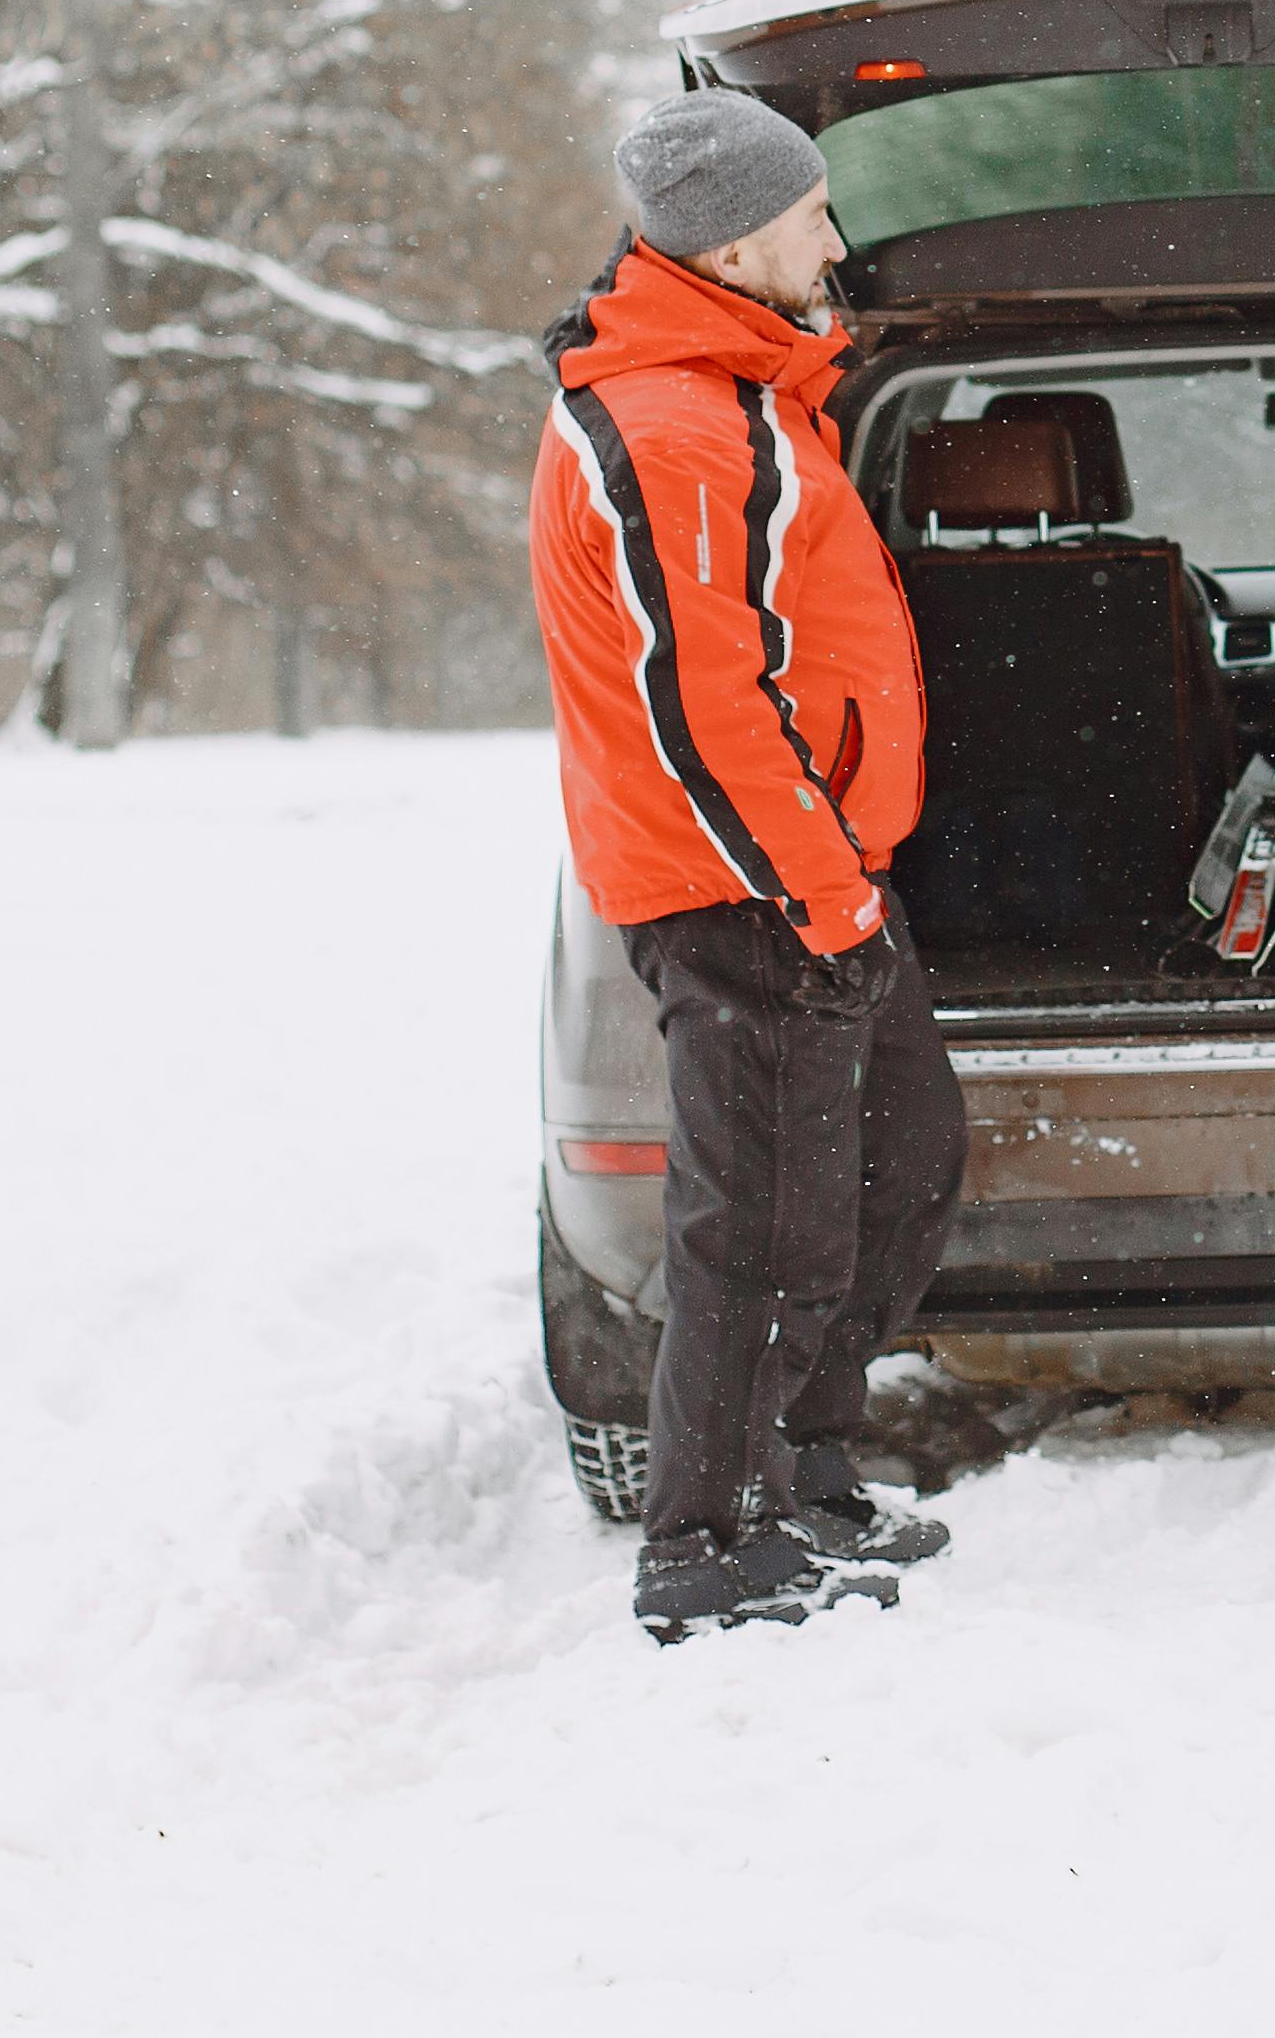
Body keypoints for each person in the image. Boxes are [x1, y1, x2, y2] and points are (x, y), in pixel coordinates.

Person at [530, 88, 963, 1643]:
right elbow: (697, 704)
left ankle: (803, 1473)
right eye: (813, 215)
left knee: (896, 1168)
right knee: (760, 1222)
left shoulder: (742, 394)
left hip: (810, 867)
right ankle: (705, 1543)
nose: (835, 241)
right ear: (733, 238)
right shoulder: (663, 423)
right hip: (747, 886)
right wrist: (818, 893)